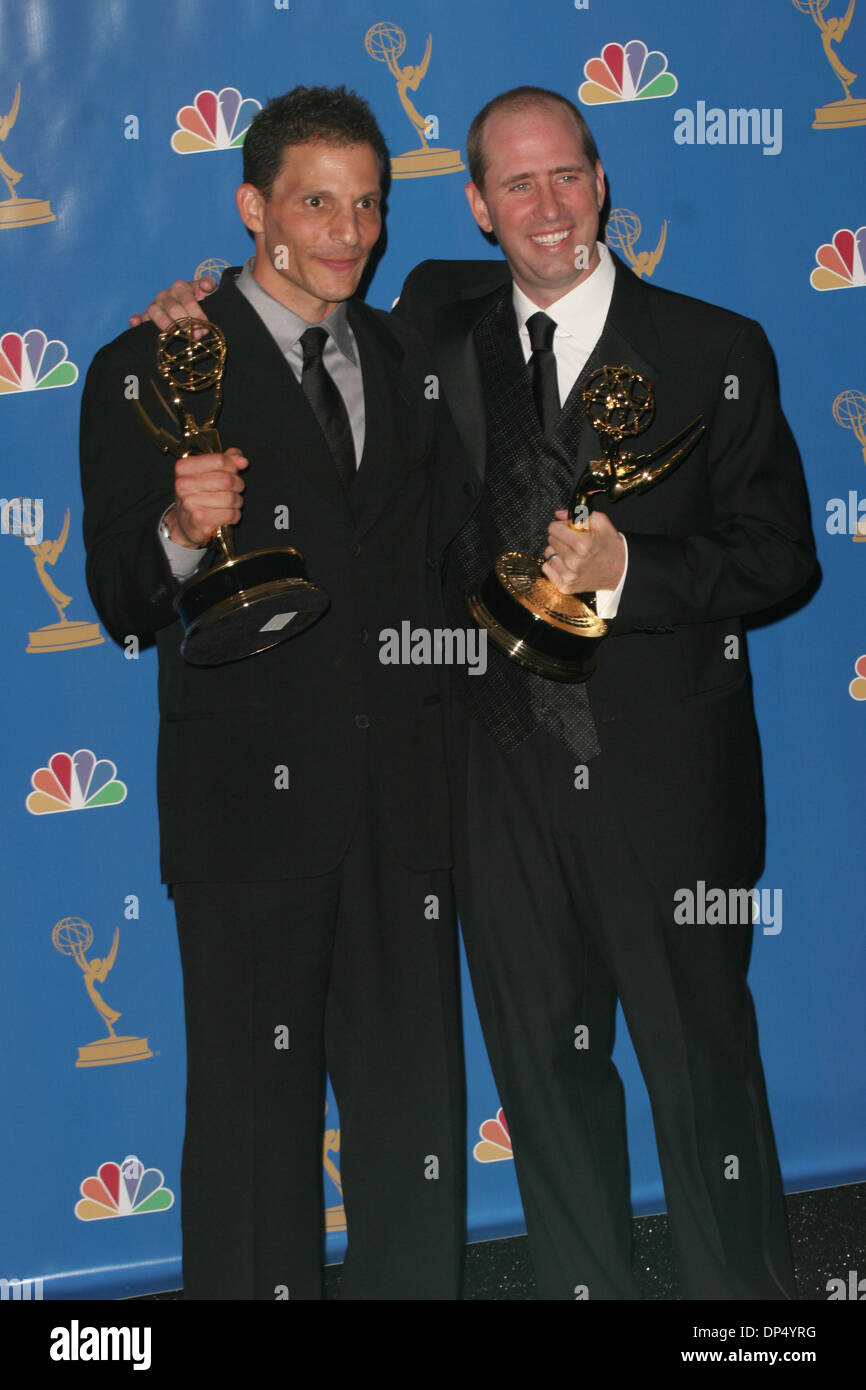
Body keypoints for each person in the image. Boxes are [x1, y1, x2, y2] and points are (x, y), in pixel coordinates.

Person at [137, 86, 817, 1301]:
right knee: (546, 1092)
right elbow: (288, 285)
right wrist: (191, 308)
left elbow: (781, 557)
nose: (546, 206)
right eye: (516, 184)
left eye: (566, 176)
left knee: (700, 1079)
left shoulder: (714, 349)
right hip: (489, 794)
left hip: (662, 792)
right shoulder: (432, 319)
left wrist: (631, 571)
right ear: (475, 207)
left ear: (600, 182)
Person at [80, 85, 464, 1301]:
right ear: (253, 207)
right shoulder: (150, 361)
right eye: (315, 202)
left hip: (404, 809)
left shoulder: (412, 352)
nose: (348, 231)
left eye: (367, 203)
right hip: (249, 812)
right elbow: (121, 594)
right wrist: (181, 532)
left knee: (415, 1129)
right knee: (252, 1130)